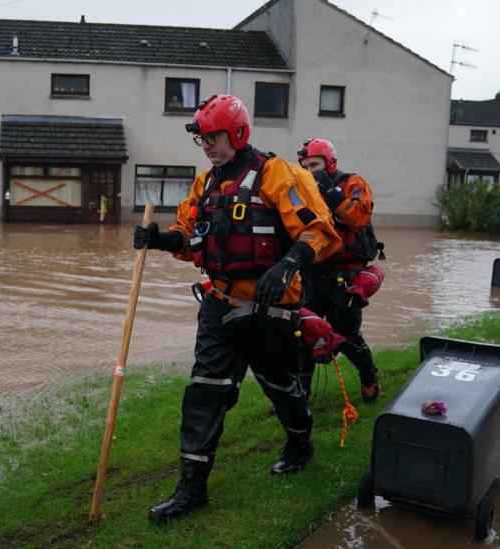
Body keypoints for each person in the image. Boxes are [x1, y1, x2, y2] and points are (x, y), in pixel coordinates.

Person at [133, 95, 341, 523]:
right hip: (219, 304)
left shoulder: (278, 173)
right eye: (203, 140)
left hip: (271, 309)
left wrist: (287, 263)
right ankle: (192, 488)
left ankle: (300, 444)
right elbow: (189, 236)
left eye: (214, 137)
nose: (207, 146)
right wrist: (159, 239)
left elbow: (319, 230)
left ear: (238, 133)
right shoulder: (205, 184)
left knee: (281, 387)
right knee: (204, 391)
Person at [297, 138, 384, 403]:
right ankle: (301, 396)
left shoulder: (353, 183)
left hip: (344, 277)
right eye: (306, 166)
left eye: (315, 164)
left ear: (329, 162)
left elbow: (358, 219)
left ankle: (369, 380)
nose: (311, 170)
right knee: (304, 336)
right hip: (312, 274)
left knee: (347, 338)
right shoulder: (303, 190)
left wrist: (332, 194)